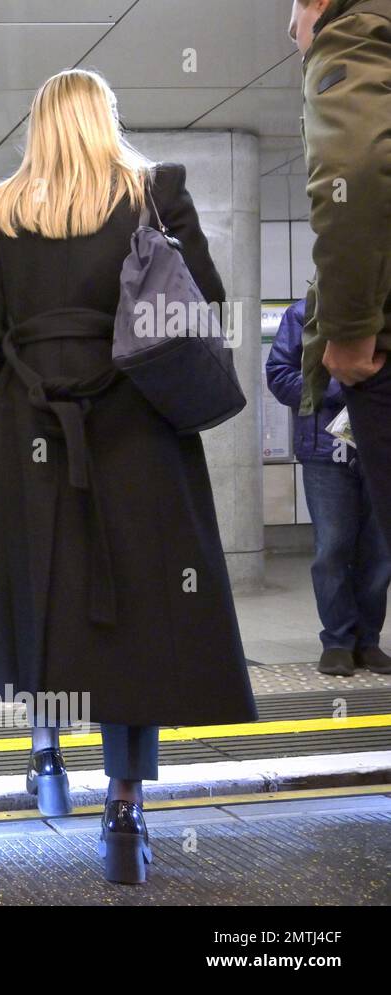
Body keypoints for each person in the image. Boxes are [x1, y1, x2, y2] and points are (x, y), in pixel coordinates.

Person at [0, 69, 257, 885]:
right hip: (133, 435)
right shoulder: (154, 193)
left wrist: (1, 423)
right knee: (131, 620)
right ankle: (123, 806)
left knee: (43, 601)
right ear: (105, 119)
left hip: (25, 431)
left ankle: (45, 756)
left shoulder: (2, 211)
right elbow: (199, 303)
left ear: (37, 126)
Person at [289, 0, 391, 544]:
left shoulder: (354, 34)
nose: (294, 35)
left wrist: (350, 332)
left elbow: (351, 173)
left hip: (379, 357)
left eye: (296, 25)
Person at [267, 298, 391, 675]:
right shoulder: (303, 313)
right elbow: (278, 375)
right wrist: (344, 385)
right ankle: (337, 640)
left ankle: (367, 641)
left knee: (379, 551)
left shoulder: (383, 316)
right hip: (324, 451)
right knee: (332, 548)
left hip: (380, 448)